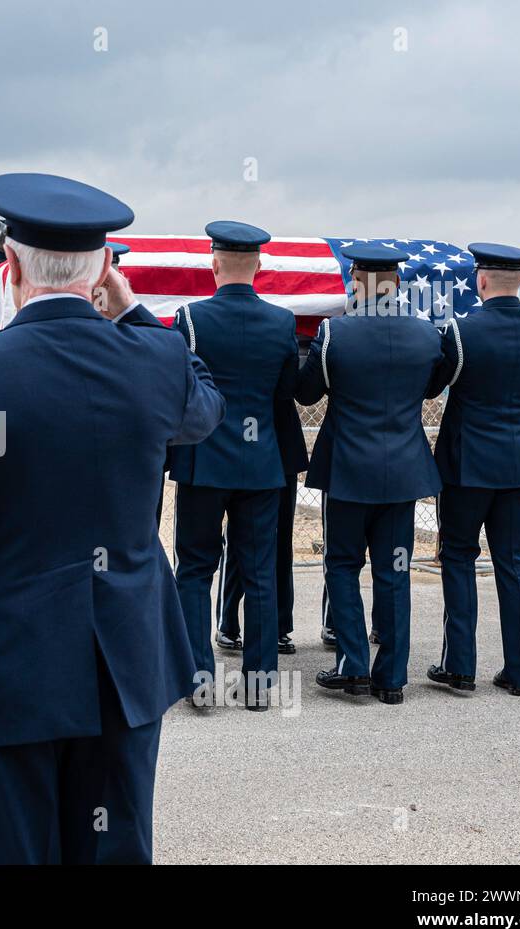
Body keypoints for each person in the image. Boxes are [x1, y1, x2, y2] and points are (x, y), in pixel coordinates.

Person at [0, 173, 223, 864]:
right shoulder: (153, 360)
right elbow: (204, 410)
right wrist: (134, 315)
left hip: (11, 668)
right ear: (106, 269)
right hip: (126, 665)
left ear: (7, 269)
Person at [295, 245, 447, 704]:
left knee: (342, 564)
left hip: (348, 469)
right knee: (394, 570)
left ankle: (353, 664)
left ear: (356, 282)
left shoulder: (334, 333)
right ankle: (392, 678)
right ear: (396, 284)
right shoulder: (426, 335)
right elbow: (429, 389)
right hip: (403, 469)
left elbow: (306, 395)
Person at [168, 221, 299, 710]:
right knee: (261, 570)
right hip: (262, 461)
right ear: (258, 266)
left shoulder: (191, 319)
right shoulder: (282, 323)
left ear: (214, 264)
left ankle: (198, 679)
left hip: (204, 462)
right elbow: (285, 395)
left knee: (196, 569)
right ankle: (261, 685)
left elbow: (179, 387)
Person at [427, 244, 520, 697]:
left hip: (468, 466)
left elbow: (433, 385)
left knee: (458, 557)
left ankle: (459, 666)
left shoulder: (461, 332)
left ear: (481, 281)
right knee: (515, 562)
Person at [214, 388, 308, 657]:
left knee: (280, 538)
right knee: (241, 536)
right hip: (235, 433)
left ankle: (278, 625)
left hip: (279, 435)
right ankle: (228, 621)